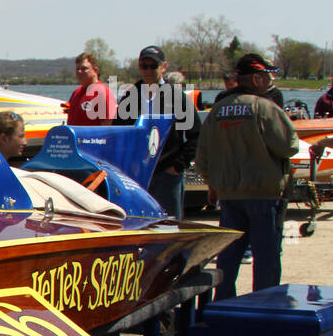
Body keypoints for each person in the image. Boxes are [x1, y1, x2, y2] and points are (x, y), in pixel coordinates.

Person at [195, 53, 298, 300]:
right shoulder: (265, 108)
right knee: (266, 257)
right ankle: (264, 308)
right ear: (255, 79)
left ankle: (222, 307)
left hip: (229, 196)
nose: (268, 81)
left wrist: (214, 185)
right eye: (266, 75)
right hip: (263, 195)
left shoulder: (217, 110)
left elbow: (202, 158)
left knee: (228, 258)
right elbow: (289, 146)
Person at [113, 45, 196, 220]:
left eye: (153, 66)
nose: (148, 70)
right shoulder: (130, 97)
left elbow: (196, 136)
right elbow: (119, 133)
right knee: (138, 225)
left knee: (169, 227)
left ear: (163, 66)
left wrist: (178, 166)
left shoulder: (177, 97)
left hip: (167, 175)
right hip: (136, 176)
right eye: (144, 66)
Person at [65, 52, 116, 125]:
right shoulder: (76, 93)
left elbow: (108, 127)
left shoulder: (103, 92)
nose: (79, 71)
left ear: (95, 70)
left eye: (84, 68)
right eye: (77, 69)